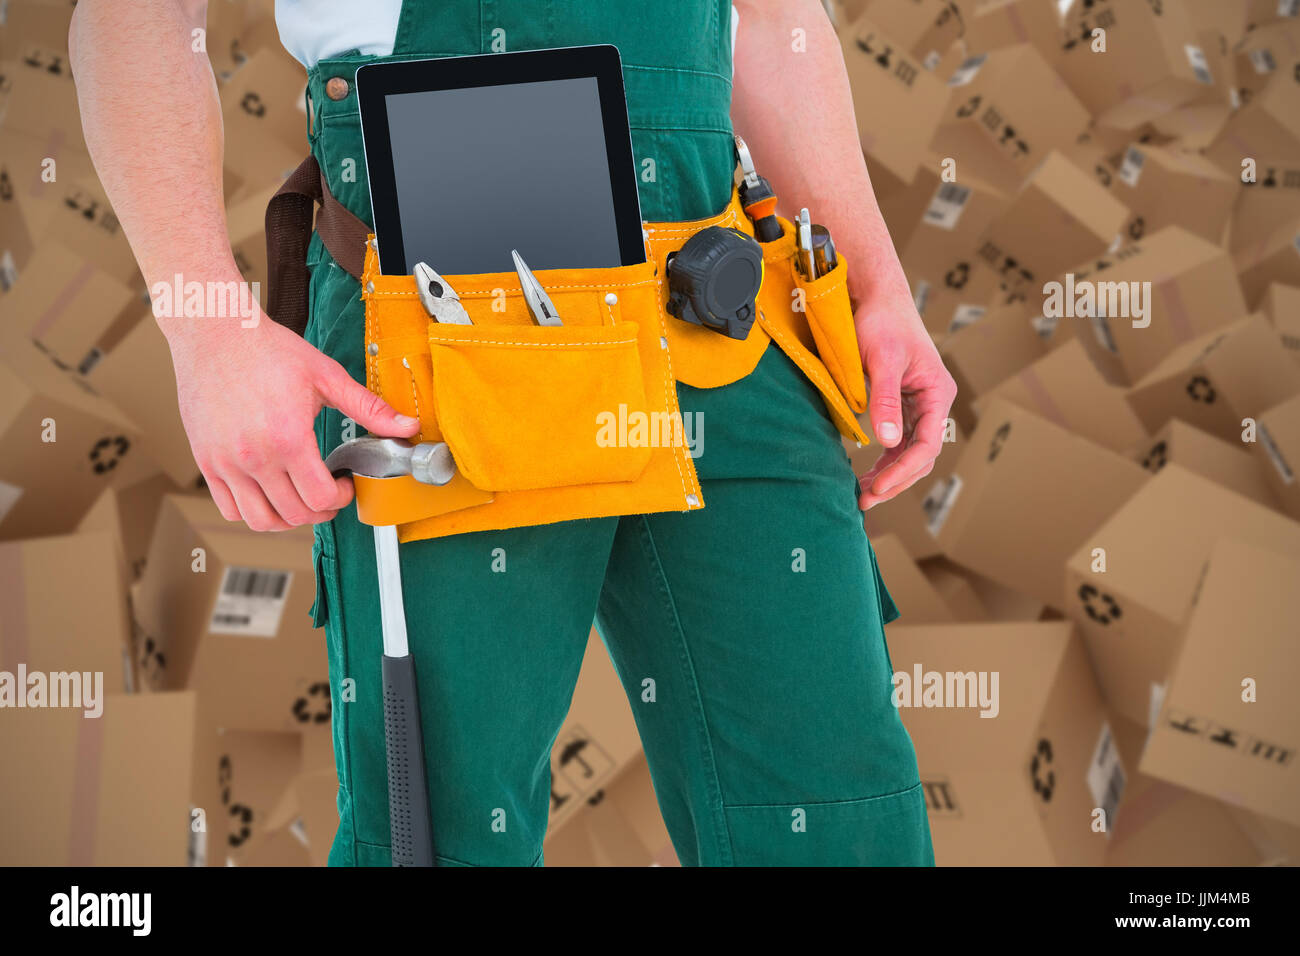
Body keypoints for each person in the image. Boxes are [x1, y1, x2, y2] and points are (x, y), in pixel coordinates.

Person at [71, 0, 956, 866]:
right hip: (442, 315)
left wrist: (875, 282)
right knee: (448, 827)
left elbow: (772, 20)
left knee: (835, 810)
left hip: (719, 317)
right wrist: (210, 331)